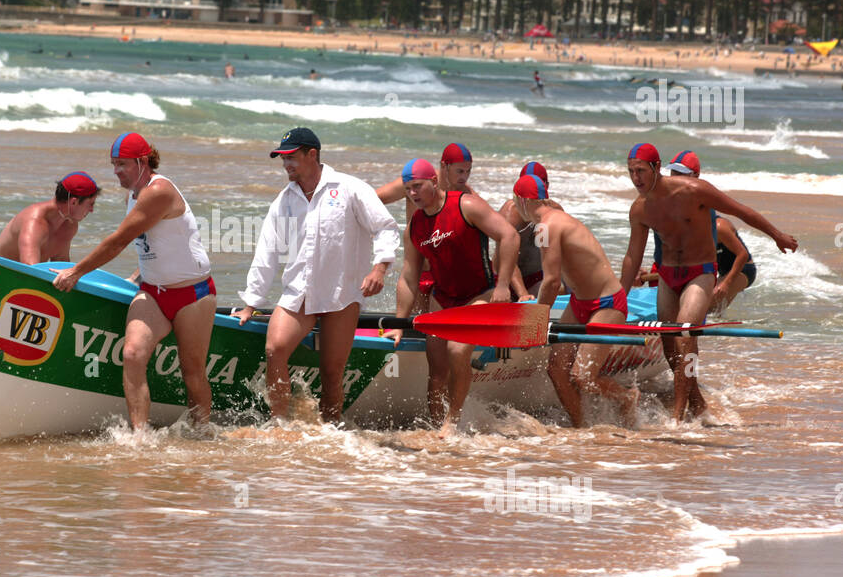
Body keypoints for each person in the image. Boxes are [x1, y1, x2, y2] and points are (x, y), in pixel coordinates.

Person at [618, 143, 796, 420]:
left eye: (640, 170)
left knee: (685, 335)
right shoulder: (640, 209)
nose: (635, 178)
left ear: (656, 167)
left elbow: (741, 211)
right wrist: (620, 297)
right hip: (667, 276)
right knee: (668, 344)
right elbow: (632, 256)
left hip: (699, 273)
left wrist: (777, 235)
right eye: (630, 171)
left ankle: (677, 418)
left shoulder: (694, 191)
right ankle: (698, 403)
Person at [234, 127, 398, 424]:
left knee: (332, 374)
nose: (286, 165)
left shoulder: (349, 188)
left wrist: (380, 267)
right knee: (275, 349)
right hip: (299, 292)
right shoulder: (284, 200)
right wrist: (251, 302)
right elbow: (267, 252)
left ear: (313, 154)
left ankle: (329, 435)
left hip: (342, 293)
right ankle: (279, 425)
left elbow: (385, 226)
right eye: (282, 159)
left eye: (292, 157)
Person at [52, 133, 215, 429]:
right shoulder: (133, 195)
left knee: (192, 371)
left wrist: (76, 272)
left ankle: (202, 433)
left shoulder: (159, 191)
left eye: (122, 164)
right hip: (153, 292)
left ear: (142, 162)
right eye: (113, 164)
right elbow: (152, 242)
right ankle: (140, 437)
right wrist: (137, 276)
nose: (116, 171)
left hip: (193, 295)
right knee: (132, 353)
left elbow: (119, 242)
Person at [385, 158, 518, 432]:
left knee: (457, 350)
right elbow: (408, 277)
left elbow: (509, 236)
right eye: (408, 189)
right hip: (443, 299)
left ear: (434, 182)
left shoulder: (465, 205)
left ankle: (452, 421)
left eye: (418, 187)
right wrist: (398, 324)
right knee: (436, 372)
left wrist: (504, 284)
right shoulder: (415, 226)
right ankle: (436, 427)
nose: (412, 194)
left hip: (480, 294)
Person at [514, 174, 638, 427]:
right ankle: (581, 426)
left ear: (521, 201)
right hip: (580, 303)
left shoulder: (545, 227)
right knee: (557, 370)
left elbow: (551, 282)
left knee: (583, 376)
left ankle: (626, 397)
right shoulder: (550, 219)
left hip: (608, 303)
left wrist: (534, 325)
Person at [662, 151, 758, 315]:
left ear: (696, 175)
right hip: (716, 268)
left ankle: (721, 330)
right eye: (673, 172)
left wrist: (726, 283)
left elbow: (742, 255)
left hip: (742, 270)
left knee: (703, 309)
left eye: (681, 173)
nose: (676, 177)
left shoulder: (719, 227)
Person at [0, 171, 100, 264]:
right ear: (74, 202)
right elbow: (29, 269)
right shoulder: (34, 222)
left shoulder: (69, 225)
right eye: (91, 204)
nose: (92, 210)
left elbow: (61, 264)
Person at [496, 161, 563, 299]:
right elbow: (506, 259)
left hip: (535, 278)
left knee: (561, 288)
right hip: (506, 279)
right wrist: (523, 294)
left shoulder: (553, 212)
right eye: (526, 184)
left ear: (546, 186)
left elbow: (555, 254)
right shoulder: (510, 213)